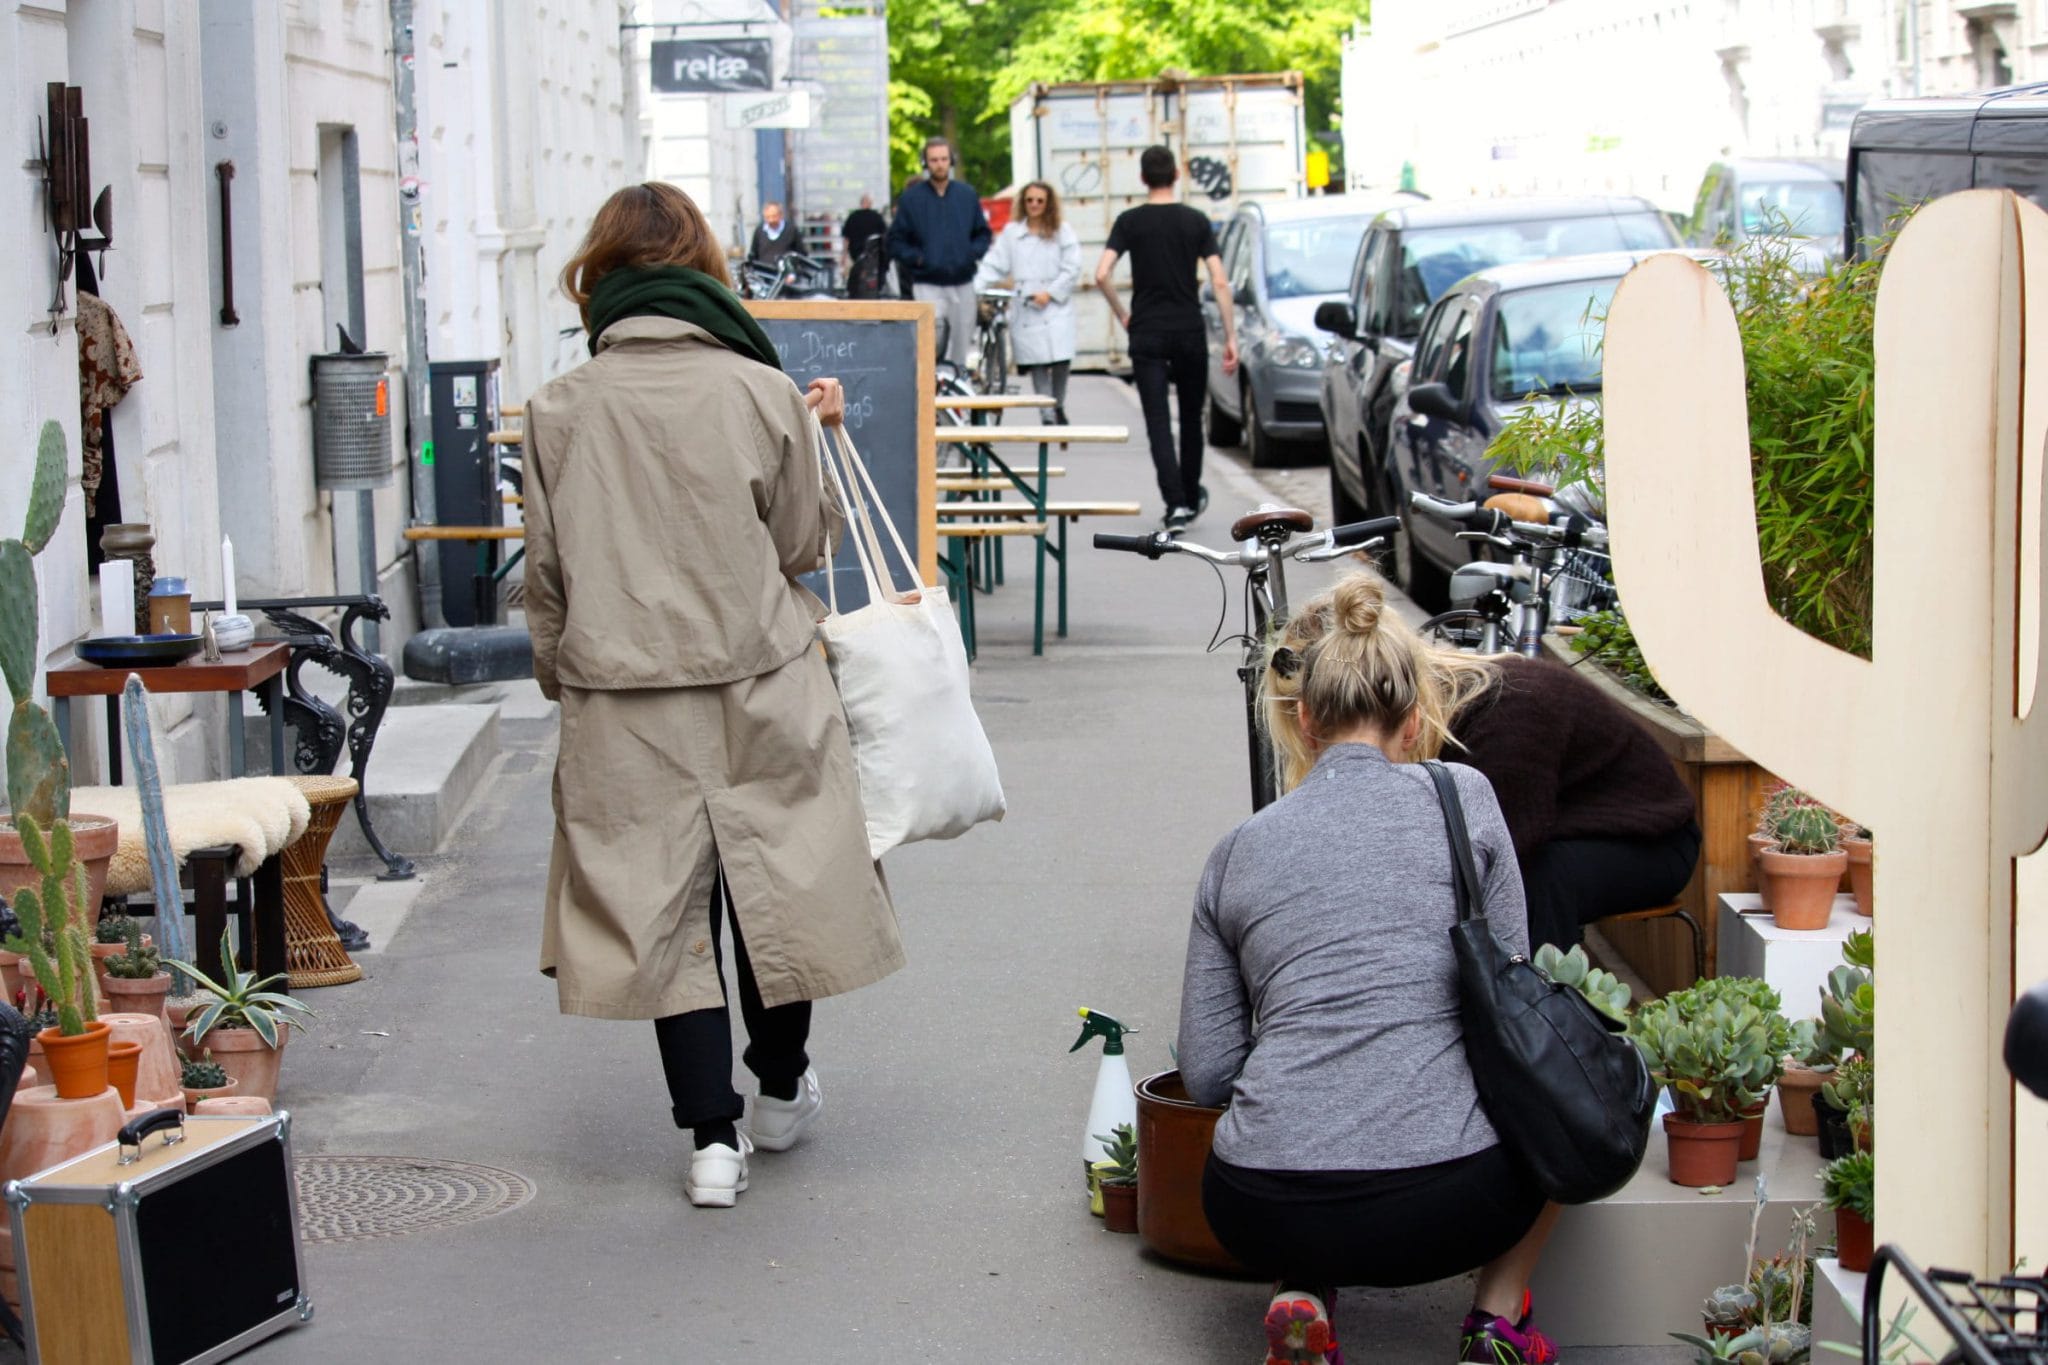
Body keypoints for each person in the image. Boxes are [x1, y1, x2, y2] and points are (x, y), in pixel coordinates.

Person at [524, 182, 905, 1210]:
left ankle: (709, 1143)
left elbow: (546, 573)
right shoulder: (758, 390)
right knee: (780, 885)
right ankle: (779, 1089)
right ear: (704, 268)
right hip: (761, 677)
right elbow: (799, 546)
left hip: (620, 692)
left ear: (599, 276)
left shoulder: (559, 406)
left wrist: (562, 676)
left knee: (656, 907)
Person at [1179, 571, 1560, 1365]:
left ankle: (1304, 1292)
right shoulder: (1466, 795)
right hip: (1453, 1203)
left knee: (1299, 1104)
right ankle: (1496, 1324)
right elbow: (1518, 997)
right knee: (1559, 1108)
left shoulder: (1236, 852)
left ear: (1306, 718)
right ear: (1416, 715)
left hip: (1258, 1203)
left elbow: (1209, 1074)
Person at [1264, 571, 1700, 953]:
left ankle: (1536, 1024)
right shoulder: (1421, 718)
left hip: (1648, 841)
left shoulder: (1507, 715)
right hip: (1552, 821)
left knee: (1532, 887)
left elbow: (1492, 860)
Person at [1095, 145, 1238, 534]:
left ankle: (1174, 503)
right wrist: (1230, 336)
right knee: (1192, 417)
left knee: (1158, 419)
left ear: (1143, 179)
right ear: (1176, 176)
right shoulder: (1196, 221)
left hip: (1147, 331)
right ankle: (1190, 497)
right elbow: (1219, 280)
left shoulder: (1129, 221)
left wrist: (1123, 314)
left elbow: (1102, 273)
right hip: (1189, 330)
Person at [973, 181, 1080, 422]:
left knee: (1061, 359)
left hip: (1054, 304)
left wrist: (1051, 292)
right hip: (1027, 303)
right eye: (1030, 200)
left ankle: (1058, 403)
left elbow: (1072, 266)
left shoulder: (1062, 232)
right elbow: (995, 263)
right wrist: (977, 286)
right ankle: (1047, 413)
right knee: (1037, 362)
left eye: (1040, 201)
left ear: (1048, 204)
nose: (1034, 205)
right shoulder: (1012, 233)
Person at [887, 138, 992, 369]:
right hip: (927, 283)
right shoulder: (912, 199)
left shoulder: (966, 195)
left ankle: (958, 389)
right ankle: (929, 391)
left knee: (961, 342)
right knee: (928, 343)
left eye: (944, 159)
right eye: (934, 160)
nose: (940, 164)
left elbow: (983, 233)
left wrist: (969, 254)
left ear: (951, 160)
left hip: (963, 281)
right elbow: (895, 240)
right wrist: (919, 259)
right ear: (926, 163)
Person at [843, 194, 888, 300]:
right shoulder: (877, 217)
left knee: (856, 279)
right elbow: (884, 236)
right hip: (874, 256)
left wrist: (844, 256)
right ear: (870, 203)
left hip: (856, 255)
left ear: (861, 203)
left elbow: (846, 239)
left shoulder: (853, 217)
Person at [749, 200, 799, 271]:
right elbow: (753, 254)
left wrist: (793, 273)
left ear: (781, 215)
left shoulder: (791, 230)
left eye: (774, 216)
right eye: (768, 217)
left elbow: (800, 254)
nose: (771, 220)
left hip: (786, 275)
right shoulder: (759, 231)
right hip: (764, 274)